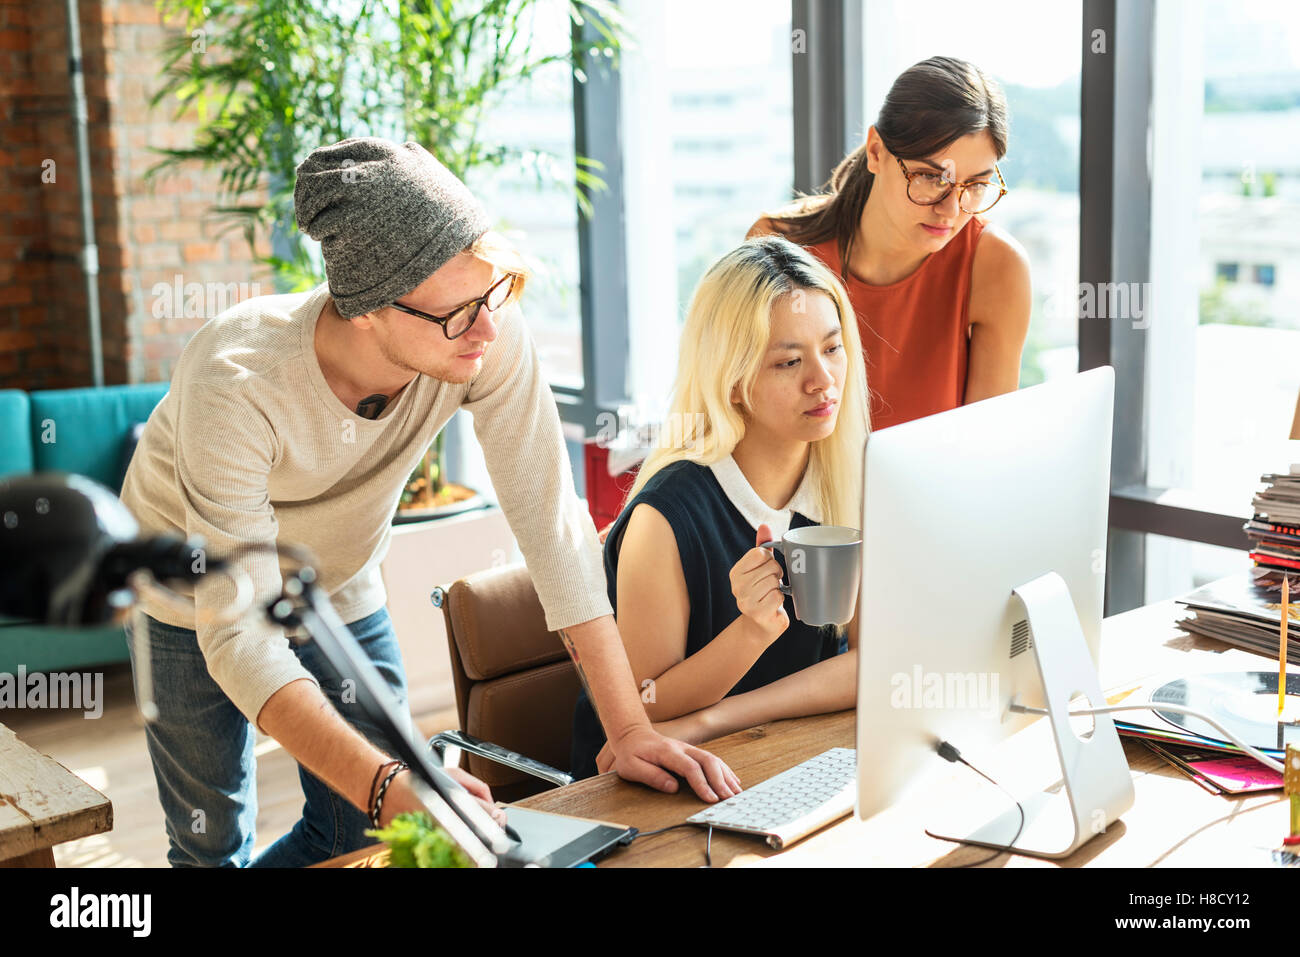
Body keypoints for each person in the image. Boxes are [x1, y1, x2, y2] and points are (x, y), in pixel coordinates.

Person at [119, 137, 738, 868]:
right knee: (208, 842)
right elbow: (242, 635)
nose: (486, 328)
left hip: (337, 580)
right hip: (188, 595)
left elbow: (554, 525)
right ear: (366, 312)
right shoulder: (237, 377)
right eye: (456, 312)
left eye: (494, 294)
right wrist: (391, 784)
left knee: (361, 832)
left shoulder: (483, 334)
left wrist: (628, 728)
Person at [570, 236, 870, 779]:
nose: (822, 380)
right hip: (646, 788)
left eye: (831, 348)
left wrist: (713, 721)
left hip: (774, 757)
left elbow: (874, 666)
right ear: (731, 381)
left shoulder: (850, 485)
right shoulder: (665, 517)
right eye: (787, 361)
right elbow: (641, 707)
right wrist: (750, 632)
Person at [749, 55, 1031, 431]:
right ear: (876, 152)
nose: (951, 210)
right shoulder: (777, 246)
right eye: (932, 178)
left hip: (934, 490)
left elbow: (986, 446)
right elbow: (748, 422)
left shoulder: (996, 265)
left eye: (976, 185)